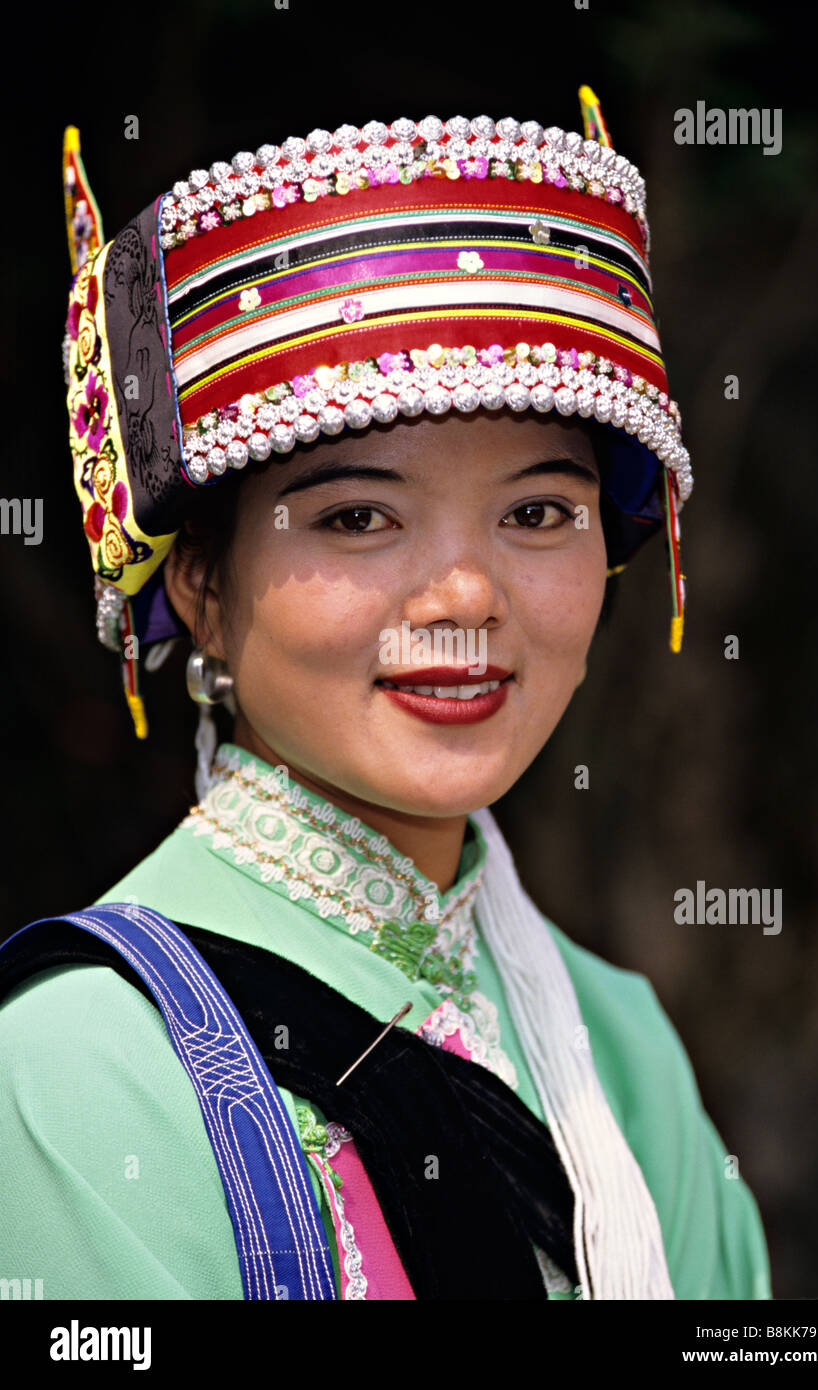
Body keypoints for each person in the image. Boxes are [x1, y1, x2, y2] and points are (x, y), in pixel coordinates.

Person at [0, 92, 771, 1300]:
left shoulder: (623, 1048)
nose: (467, 589)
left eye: (538, 513)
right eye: (360, 517)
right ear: (199, 580)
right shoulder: (73, 1070)